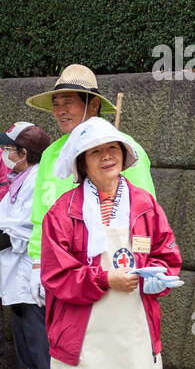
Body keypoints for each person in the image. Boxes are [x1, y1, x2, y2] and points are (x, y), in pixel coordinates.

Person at [42, 118, 182, 369]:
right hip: (80, 323)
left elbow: (166, 253)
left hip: (131, 318)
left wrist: (155, 274)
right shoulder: (62, 211)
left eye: (114, 150)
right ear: (82, 162)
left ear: (124, 156)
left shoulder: (143, 204)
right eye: (97, 152)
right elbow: (56, 275)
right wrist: (104, 278)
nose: (107, 157)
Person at [25, 65, 154, 308]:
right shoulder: (52, 154)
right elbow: (41, 216)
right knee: (69, 338)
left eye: (68, 102)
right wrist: (37, 262)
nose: (61, 110)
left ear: (93, 105)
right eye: (56, 103)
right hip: (65, 273)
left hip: (118, 267)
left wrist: (143, 261)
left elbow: (146, 214)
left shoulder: (124, 150)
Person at [0, 122, 53, 369]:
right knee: (19, 323)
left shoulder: (37, 179)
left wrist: (7, 234)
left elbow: (31, 222)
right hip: (12, 263)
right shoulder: (16, 180)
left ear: (24, 152)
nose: (5, 154)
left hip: (28, 261)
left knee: (35, 323)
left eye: (9, 149)